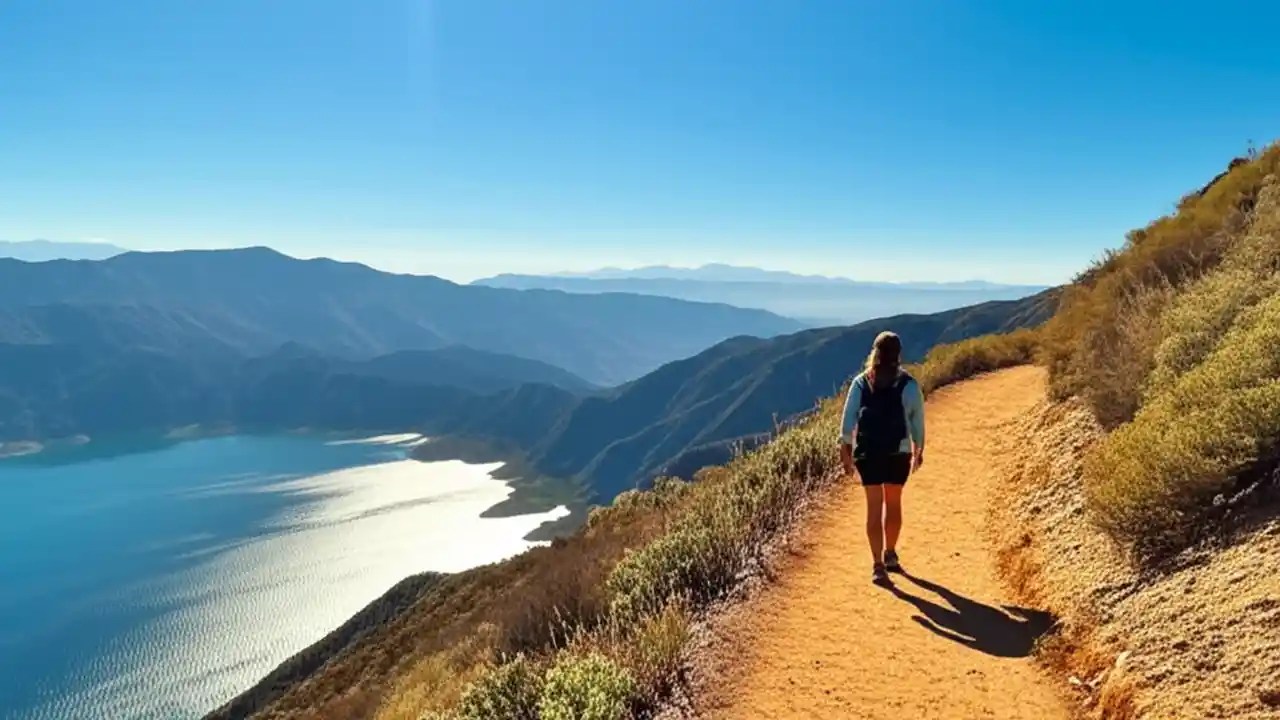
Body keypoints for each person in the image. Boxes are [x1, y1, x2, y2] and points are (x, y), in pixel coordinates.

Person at [838, 331, 925, 584]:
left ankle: (877, 565)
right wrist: (919, 449)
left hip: (868, 453)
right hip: (898, 452)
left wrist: (845, 450)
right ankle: (891, 554)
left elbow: (847, 422)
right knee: (894, 504)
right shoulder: (909, 385)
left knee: (873, 508)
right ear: (898, 355)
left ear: (874, 353)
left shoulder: (861, 383)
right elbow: (917, 421)